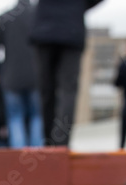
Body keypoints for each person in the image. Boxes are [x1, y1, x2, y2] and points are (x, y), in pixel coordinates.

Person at [30, 0, 104, 147]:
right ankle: (61, 144)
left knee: (46, 90)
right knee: (68, 91)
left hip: (45, 28)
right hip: (71, 28)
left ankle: (50, 144)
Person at [0, 0, 43, 148]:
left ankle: (19, 155)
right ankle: (36, 153)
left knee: (15, 118)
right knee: (37, 116)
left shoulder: (5, 17)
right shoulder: (38, 14)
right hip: (36, 76)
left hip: (11, 78)